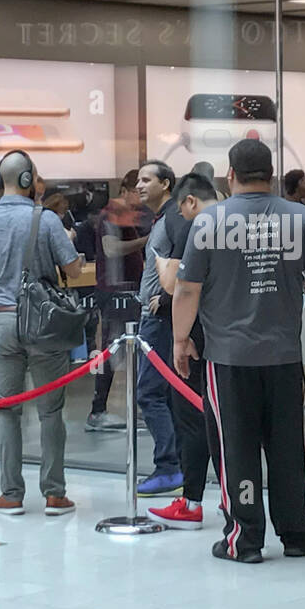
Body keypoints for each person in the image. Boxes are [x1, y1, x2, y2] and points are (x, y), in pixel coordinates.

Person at [174, 138, 305, 563]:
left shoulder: (208, 222)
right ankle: (296, 532)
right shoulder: (299, 217)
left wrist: (180, 339)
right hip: (284, 355)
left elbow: (188, 288)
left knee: (236, 446)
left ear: (230, 176)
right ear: (271, 174)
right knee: (287, 445)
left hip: (228, 357)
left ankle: (244, 538)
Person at [0, 150, 84, 517]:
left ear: (1, 182)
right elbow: (74, 271)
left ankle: (11, 494)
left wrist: (4, 288)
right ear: (30, 180)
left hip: (1, 321)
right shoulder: (46, 220)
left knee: (6, 409)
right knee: (51, 410)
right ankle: (54, 493)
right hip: (44, 322)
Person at [148, 171, 220, 528]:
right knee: (230, 423)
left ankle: (191, 501)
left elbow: (179, 285)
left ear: (190, 201)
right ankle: (233, 499)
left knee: (193, 419)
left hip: (200, 338)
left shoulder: (196, 226)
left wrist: (180, 338)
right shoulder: (241, 222)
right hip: (239, 341)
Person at [133, 160, 185, 497]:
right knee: (162, 393)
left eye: (146, 179)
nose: (139, 185)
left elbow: (187, 261)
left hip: (160, 321)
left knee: (149, 393)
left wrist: (166, 301)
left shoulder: (174, 219)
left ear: (165, 184)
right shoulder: (163, 219)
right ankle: (175, 464)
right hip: (154, 318)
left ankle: (169, 466)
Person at [87, 168, 147, 432]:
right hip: (115, 292)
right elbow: (112, 249)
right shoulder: (113, 213)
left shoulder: (126, 215)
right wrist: (146, 241)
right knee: (112, 350)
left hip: (125, 290)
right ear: (126, 190)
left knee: (131, 351)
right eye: (139, 188)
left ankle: (139, 405)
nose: (142, 195)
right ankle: (98, 409)